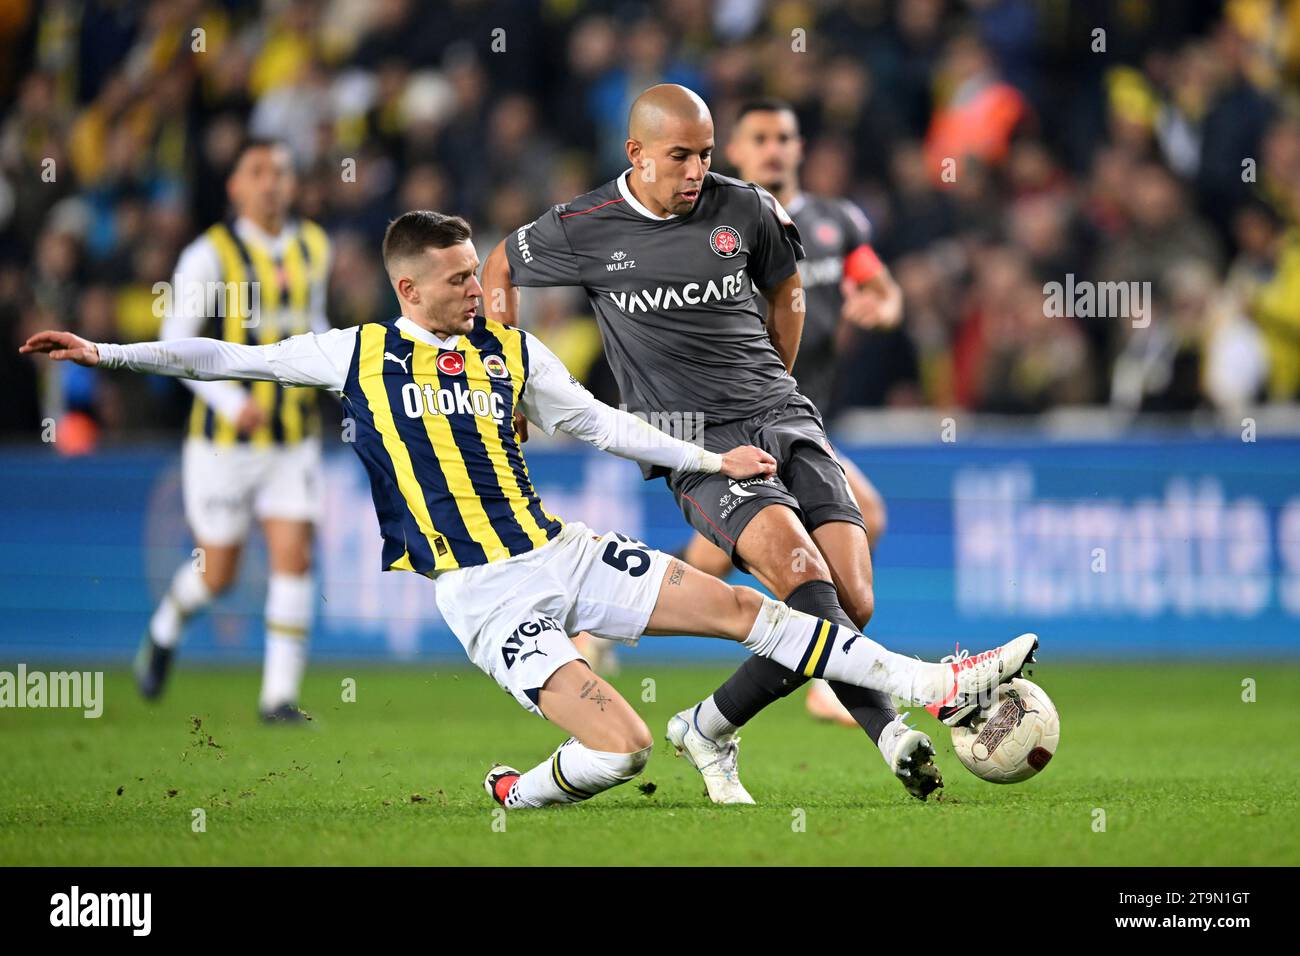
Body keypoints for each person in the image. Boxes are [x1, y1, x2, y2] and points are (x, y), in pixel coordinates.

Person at [21, 209, 1038, 810]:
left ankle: (936, 684)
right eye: (463, 279)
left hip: (561, 550)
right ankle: (518, 788)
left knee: (753, 611)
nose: (482, 289)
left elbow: (600, 425)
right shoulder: (354, 353)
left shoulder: (512, 351)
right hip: (484, 595)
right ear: (411, 286)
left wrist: (703, 453)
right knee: (622, 749)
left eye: (481, 274)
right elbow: (221, 354)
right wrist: (105, 352)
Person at [480, 85, 937, 803]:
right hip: (693, 441)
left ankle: (709, 724)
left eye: (705, 155)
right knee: (799, 576)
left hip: (782, 411)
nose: (696, 172)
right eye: (680, 157)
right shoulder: (586, 225)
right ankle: (894, 729)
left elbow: (788, 292)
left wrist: (777, 386)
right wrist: (503, 376)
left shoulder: (746, 208)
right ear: (637, 155)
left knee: (851, 599)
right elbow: (500, 267)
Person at [684, 97, 903, 731]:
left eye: (785, 135)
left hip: (805, 418)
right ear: (738, 153)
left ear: (800, 147)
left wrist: (882, 308)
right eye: (760, 138)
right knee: (729, 556)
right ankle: (826, 674)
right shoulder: (719, 225)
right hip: (740, 417)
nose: (775, 147)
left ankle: (814, 664)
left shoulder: (836, 223)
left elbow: (880, 286)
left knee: (723, 554)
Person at [138, 138, 332, 722]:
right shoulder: (207, 255)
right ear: (235, 187)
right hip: (222, 445)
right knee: (217, 571)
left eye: (281, 171)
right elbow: (175, 346)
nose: (272, 181)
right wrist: (227, 401)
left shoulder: (314, 246)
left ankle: (278, 699)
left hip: (292, 439)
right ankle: (167, 626)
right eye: (258, 171)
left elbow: (312, 321)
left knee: (294, 556)